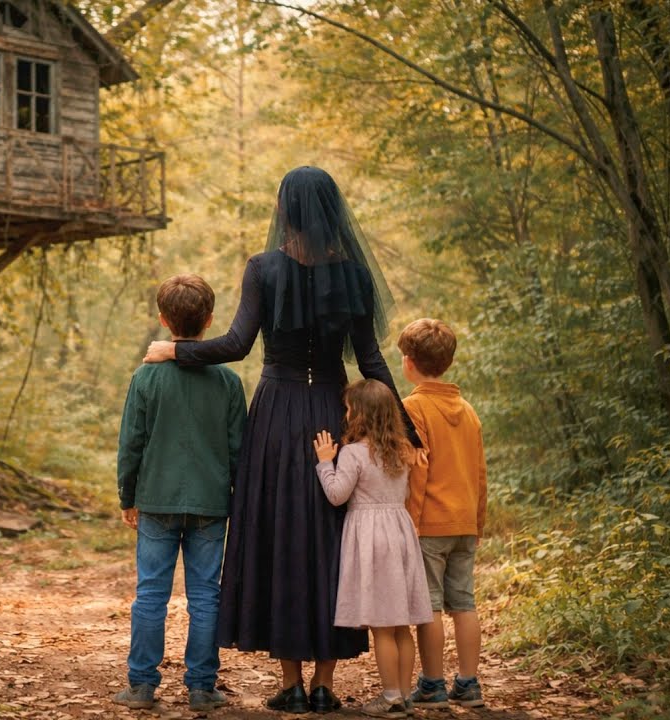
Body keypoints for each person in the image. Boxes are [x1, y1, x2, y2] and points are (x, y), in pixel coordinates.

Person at [143, 166, 421, 714]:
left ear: (285, 211)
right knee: (330, 539)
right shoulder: (355, 276)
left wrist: (176, 350)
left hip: (276, 416)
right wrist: (407, 430)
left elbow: (238, 343)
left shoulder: (264, 268)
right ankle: (324, 684)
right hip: (333, 413)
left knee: (280, 536)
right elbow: (369, 359)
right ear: (333, 210)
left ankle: (290, 683)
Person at [114, 274, 247, 713]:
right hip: (211, 503)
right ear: (210, 321)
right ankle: (202, 687)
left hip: (156, 499)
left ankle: (140, 686)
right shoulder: (227, 382)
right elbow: (237, 449)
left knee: (151, 593)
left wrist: (127, 495)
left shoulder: (146, 377)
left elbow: (132, 440)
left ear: (162, 319)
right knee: (206, 594)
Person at [313, 379, 433, 719]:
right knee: (402, 625)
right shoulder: (402, 449)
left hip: (371, 538)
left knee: (383, 625)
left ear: (361, 414)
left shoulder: (353, 453)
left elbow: (336, 495)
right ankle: (405, 695)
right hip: (399, 533)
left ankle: (391, 695)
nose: (346, 414)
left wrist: (324, 462)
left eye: (350, 408)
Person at [397, 318, 488, 709]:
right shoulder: (467, 410)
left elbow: (417, 470)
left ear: (409, 363)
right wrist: (477, 522)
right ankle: (469, 684)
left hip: (429, 523)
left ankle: (432, 684)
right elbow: (480, 473)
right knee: (464, 603)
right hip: (464, 522)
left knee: (429, 606)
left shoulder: (413, 408)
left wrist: (409, 523)